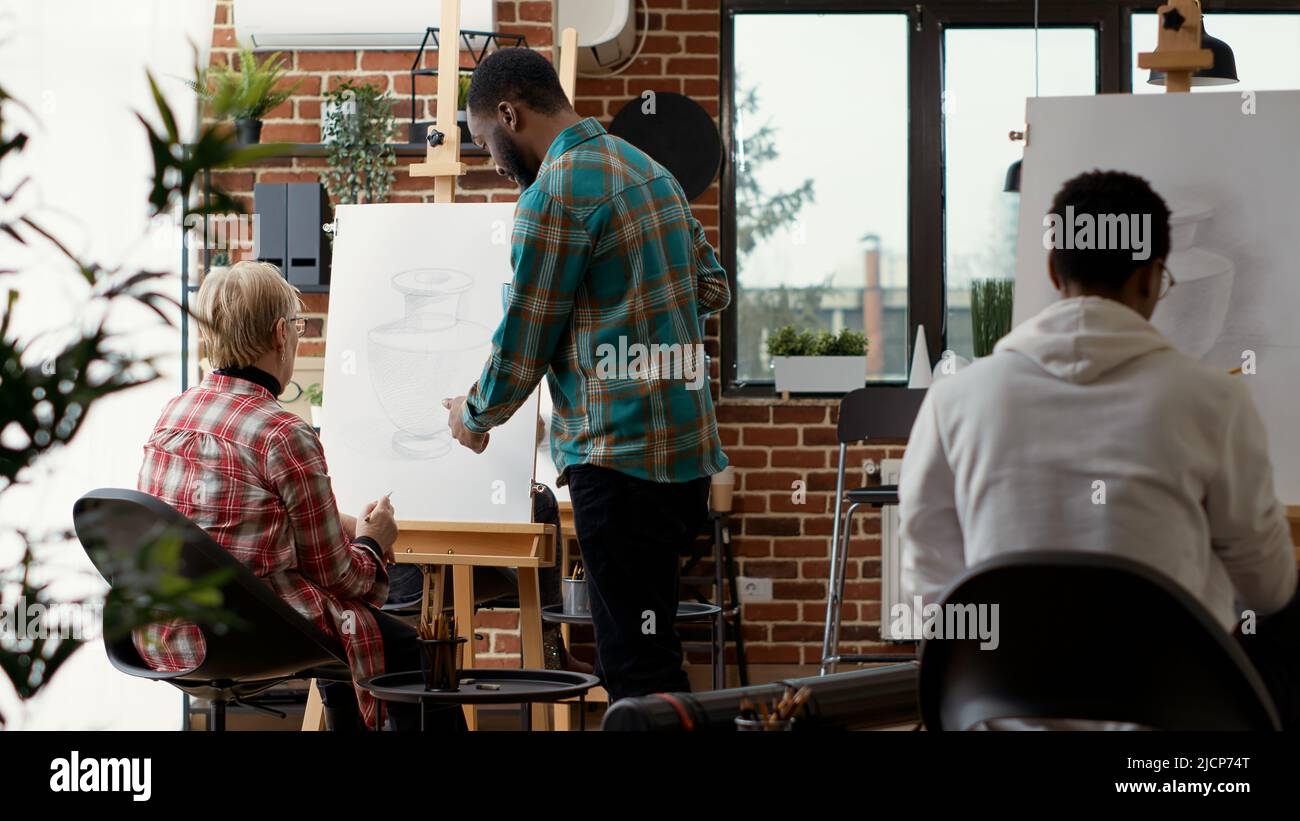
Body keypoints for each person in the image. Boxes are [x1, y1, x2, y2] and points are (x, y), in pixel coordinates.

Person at [898, 170, 1300, 727]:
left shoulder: (954, 401)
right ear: (1152, 277)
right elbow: (1270, 586)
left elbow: (929, 590)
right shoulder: (1214, 400)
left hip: (1002, 715)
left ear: (1051, 269)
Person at [442, 47, 730, 701]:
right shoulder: (648, 169)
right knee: (652, 654)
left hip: (619, 468)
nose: (490, 159)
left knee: (635, 670)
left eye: (486, 139)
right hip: (684, 464)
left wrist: (474, 415)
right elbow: (713, 288)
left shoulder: (555, 195)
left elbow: (523, 344)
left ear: (509, 114)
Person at [133, 261, 461, 731]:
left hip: (164, 631)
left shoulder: (175, 413)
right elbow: (344, 579)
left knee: (329, 622)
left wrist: (348, 524)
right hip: (242, 633)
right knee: (406, 649)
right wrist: (372, 541)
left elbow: (241, 519)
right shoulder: (283, 433)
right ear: (280, 335)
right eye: (298, 326)